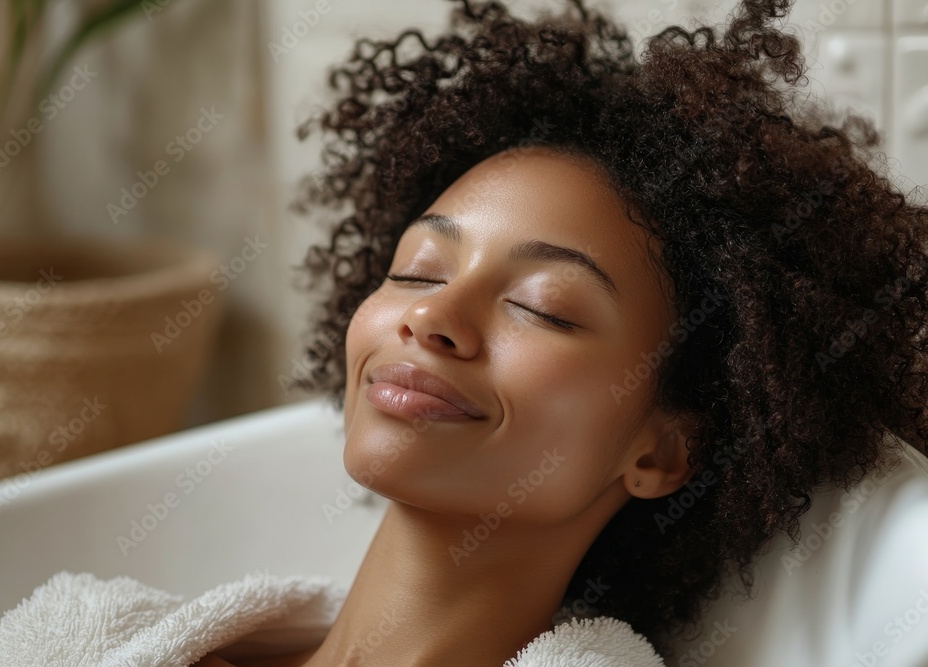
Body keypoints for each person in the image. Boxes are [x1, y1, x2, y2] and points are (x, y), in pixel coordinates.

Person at [209, 0, 928, 664]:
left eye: (543, 307)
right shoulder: (113, 623)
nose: (430, 317)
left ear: (664, 451)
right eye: (418, 271)